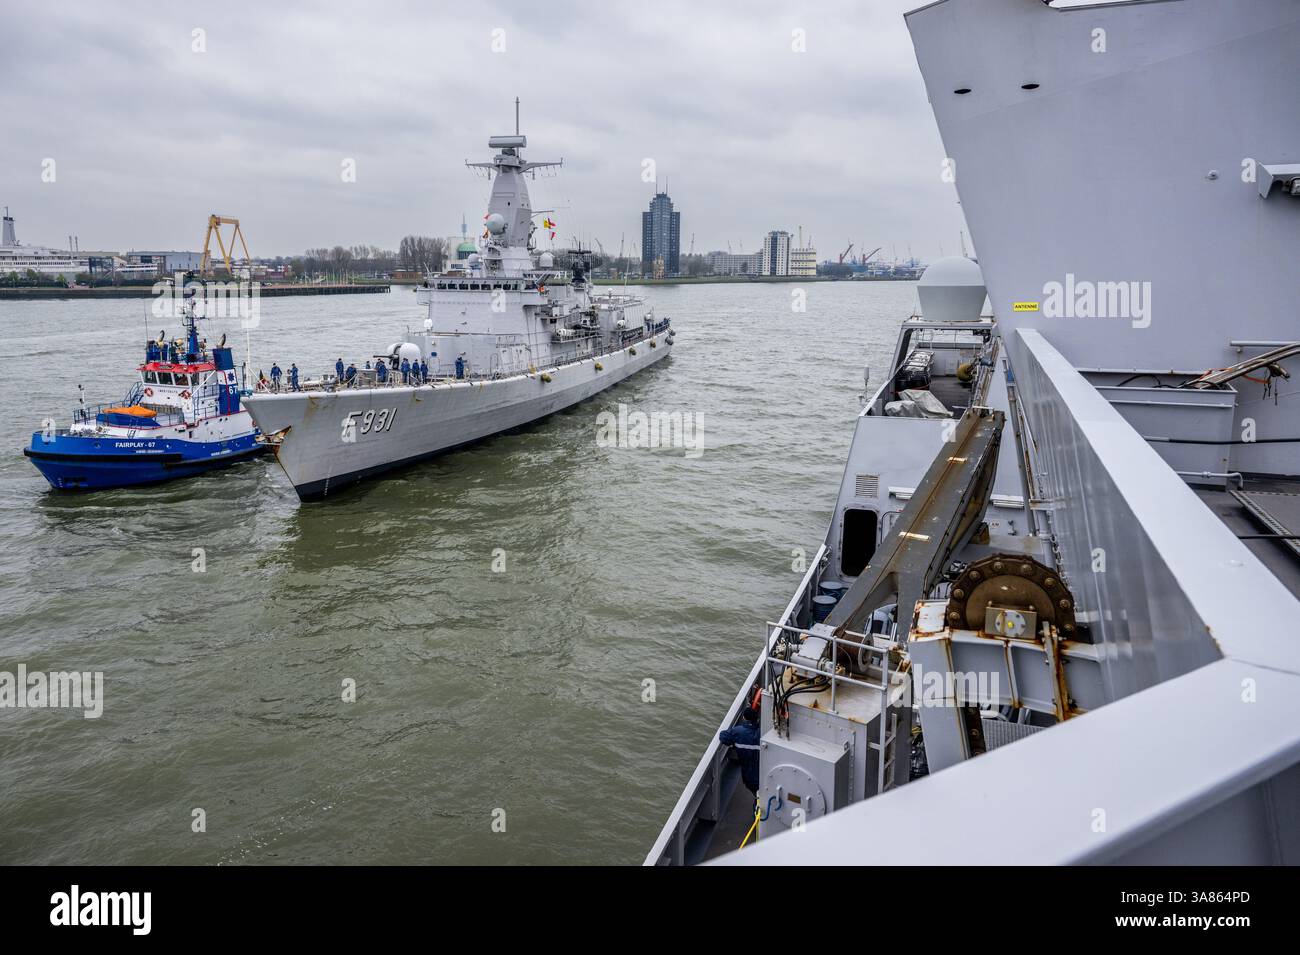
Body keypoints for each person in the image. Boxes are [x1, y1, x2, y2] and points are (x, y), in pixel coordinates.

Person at [718, 705, 761, 796]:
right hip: (763, 772)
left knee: (756, 793)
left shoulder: (738, 732)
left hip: (749, 774)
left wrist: (733, 744)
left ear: (744, 718)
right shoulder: (762, 732)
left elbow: (723, 736)